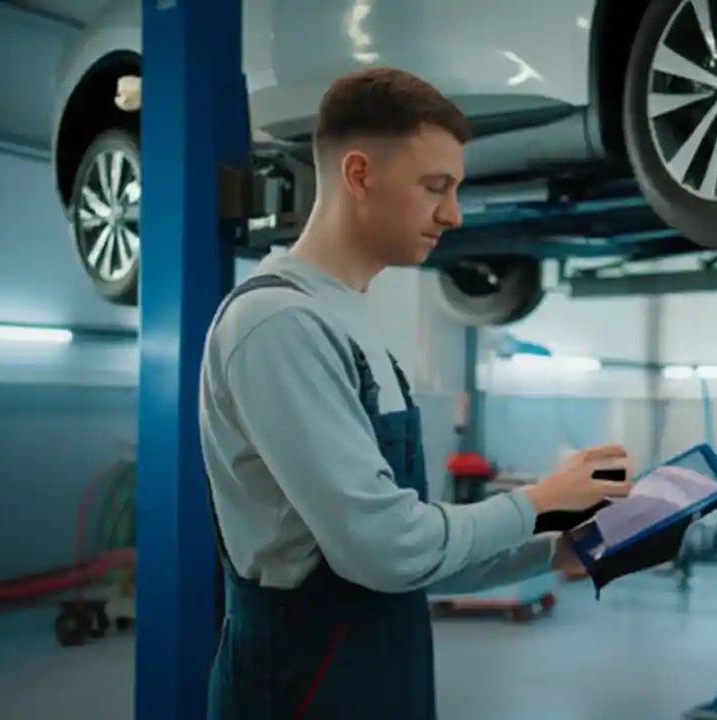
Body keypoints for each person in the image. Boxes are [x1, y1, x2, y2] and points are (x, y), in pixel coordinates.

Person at [198, 67, 632, 720]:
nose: (453, 214)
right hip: (300, 687)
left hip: (376, 673)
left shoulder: (348, 317)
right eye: (436, 187)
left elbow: (416, 553)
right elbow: (387, 548)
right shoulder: (278, 325)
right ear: (358, 174)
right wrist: (542, 501)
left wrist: (552, 548)